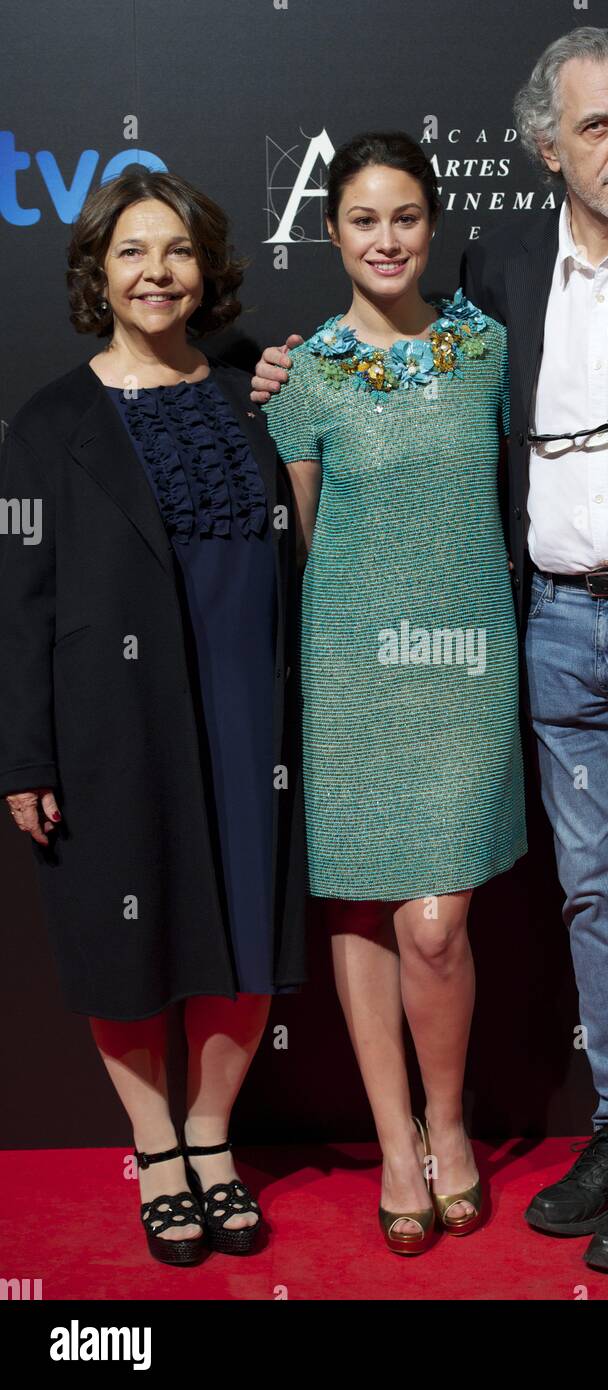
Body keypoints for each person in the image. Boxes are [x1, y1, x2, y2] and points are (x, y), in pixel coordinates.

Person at [253, 28, 608, 1274]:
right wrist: (287, 370)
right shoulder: (499, 268)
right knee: (596, 902)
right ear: (544, 145)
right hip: (551, 632)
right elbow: (395, 392)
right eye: (597, 128)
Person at [0, 167, 306, 1264]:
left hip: (246, 706)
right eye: (131, 250)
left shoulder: (250, 393)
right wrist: (25, 752)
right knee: (121, 934)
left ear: (204, 268)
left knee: (242, 925)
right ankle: (156, 1149)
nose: (156, 272)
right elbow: (18, 602)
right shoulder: (47, 425)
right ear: (98, 271)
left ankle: (213, 1139)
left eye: (175, 250)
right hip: (109, 715)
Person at [260, 131, 526, 1254]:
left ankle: (450, 1126)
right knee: (362, 907)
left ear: (430, 226)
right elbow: (308, 537)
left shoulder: (491, 350)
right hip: (353, 663)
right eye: (363, 219)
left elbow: (521, 498)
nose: (385, 239)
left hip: (465, 662)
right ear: (330, 232)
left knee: (434, 924)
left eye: (405, 217)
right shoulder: (304, 371)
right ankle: (397, 1143)